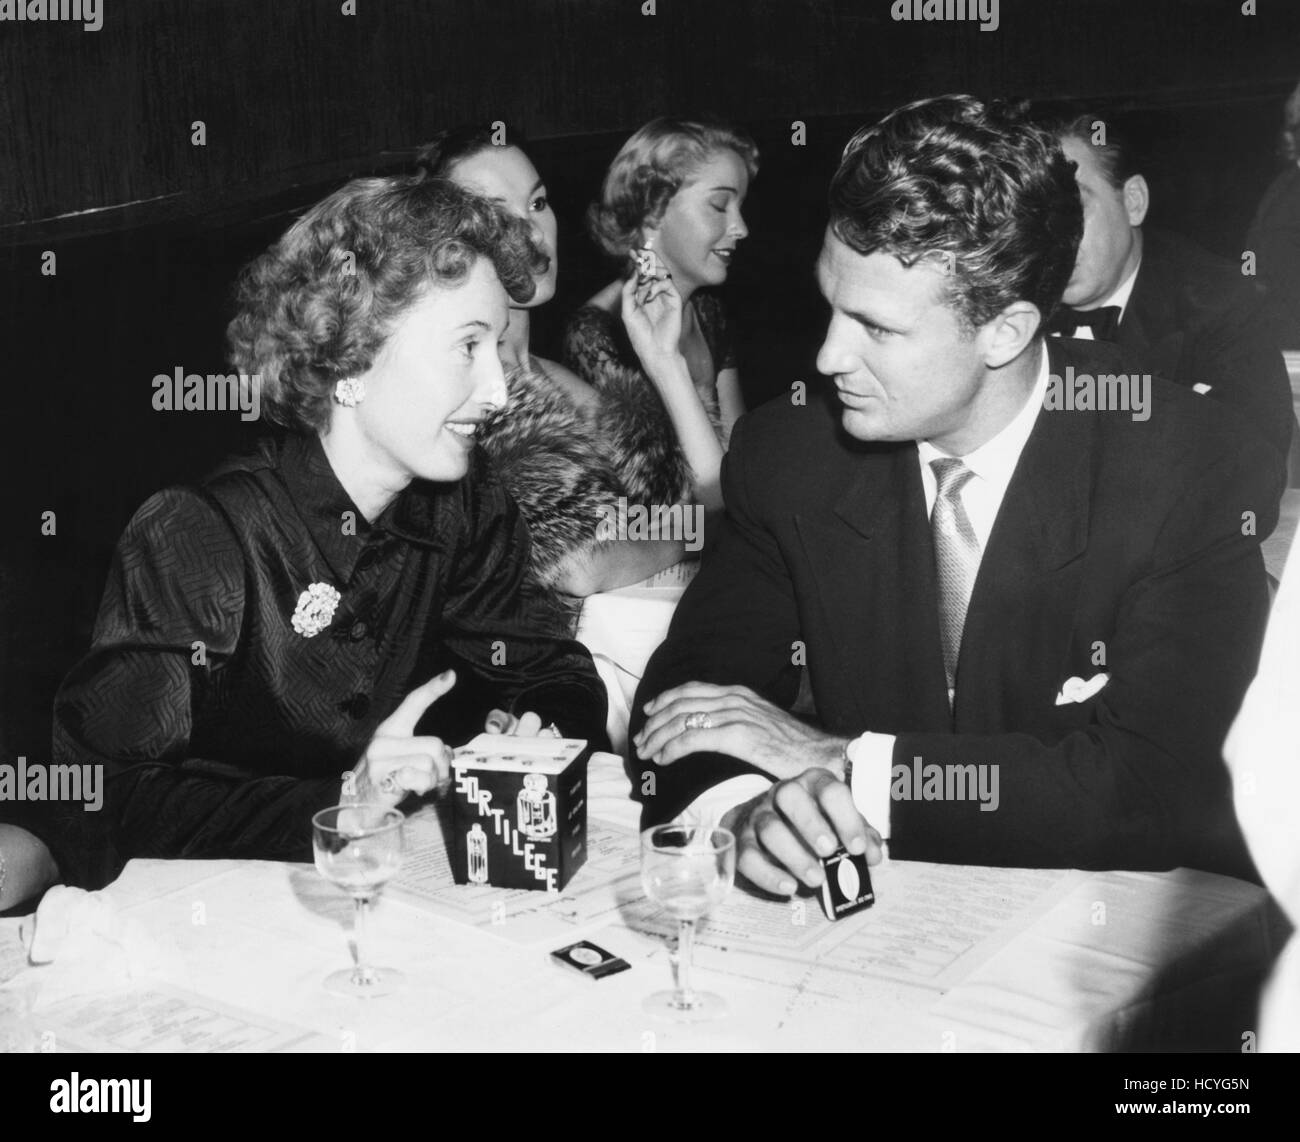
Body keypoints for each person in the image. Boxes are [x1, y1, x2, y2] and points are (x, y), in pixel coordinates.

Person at [628, 95, 1284, 897]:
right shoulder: (789, 453)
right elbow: (685, 703)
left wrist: (843, 764)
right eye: (831, 306)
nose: (829, 356)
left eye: (878, 328)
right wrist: (746, 813)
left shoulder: (1184, 464)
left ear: (1005, 331)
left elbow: (1152, 785)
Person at [0, 176, 608, 909]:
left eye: (497, 347)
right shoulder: (204, 530)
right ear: (350, 362)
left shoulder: (468, 509)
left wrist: (536, 731)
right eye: (468, 347)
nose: (499, 391)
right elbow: (107, 794)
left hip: (368, 888)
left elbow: (553, 675)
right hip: (191, 904)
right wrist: (340, 800)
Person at [416, 127, 688, 600]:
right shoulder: (463, 394)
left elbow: (689, 494)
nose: (532, 232)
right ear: (446, 247)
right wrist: (695, 535)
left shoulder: (555, 375)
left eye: (538, 203)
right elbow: (580, 569)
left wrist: (663, 360)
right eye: (499, 215)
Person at [1033, 105, 1294, 465]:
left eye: (1072, 208)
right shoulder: (1008, 307)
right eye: (1034, 215)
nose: (1052, 237)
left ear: (1133, 202)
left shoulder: (1219, 302)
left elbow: (1254, 461)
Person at [564, 117, 758, 514]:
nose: (741, 227)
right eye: (720, 205)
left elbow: (742, 460)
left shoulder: (708, 311)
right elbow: (647, 503)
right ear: (652, 210)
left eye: (739, 207)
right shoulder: (594, 334)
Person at [1247, 80, 1300, 350]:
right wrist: (1248, 280)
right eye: (1291, 125)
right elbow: (1253, 244)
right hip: (1276, 331)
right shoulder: (1280, 185)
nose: (1290, 134)